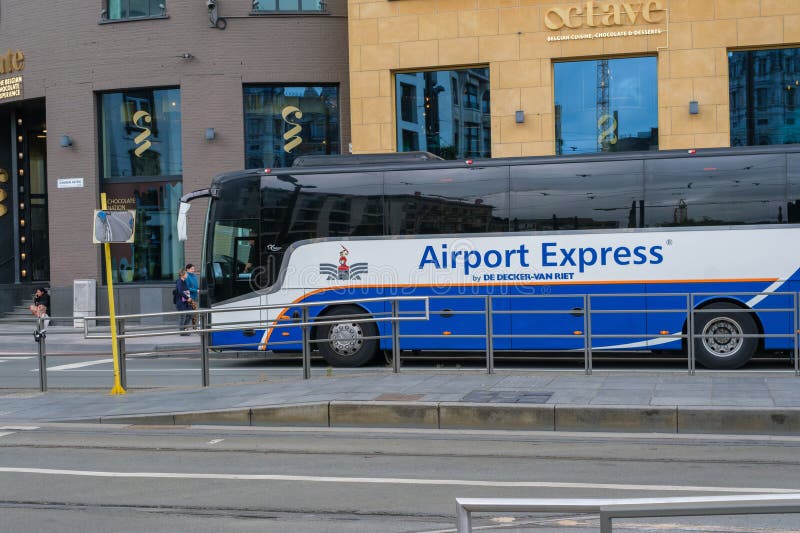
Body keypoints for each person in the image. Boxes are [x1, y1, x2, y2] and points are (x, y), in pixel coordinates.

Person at [174, 268, 192, 335]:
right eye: (186, 273)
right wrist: (187, 298)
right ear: (182, 275)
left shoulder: (184, 281)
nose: (187, 275)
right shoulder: (179, 282)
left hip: (186, 301)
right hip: (181, 302)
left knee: (190, 315)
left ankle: (184, 329)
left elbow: (186, 290)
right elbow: (180, 292)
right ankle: (182, 331)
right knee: (183, 316)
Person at [185, 263, 199, 328]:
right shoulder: (187, 276)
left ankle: (194, 327)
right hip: (190, 297)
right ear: (187, 269)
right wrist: (196, 290)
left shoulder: (194, 276)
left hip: (195, 296)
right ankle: (187, 327)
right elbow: (187, 288)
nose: (193, 270)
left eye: (194, 269)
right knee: (191, 313)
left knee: (195, 313)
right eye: (192, 269)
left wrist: (197, 289)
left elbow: (196, 285)